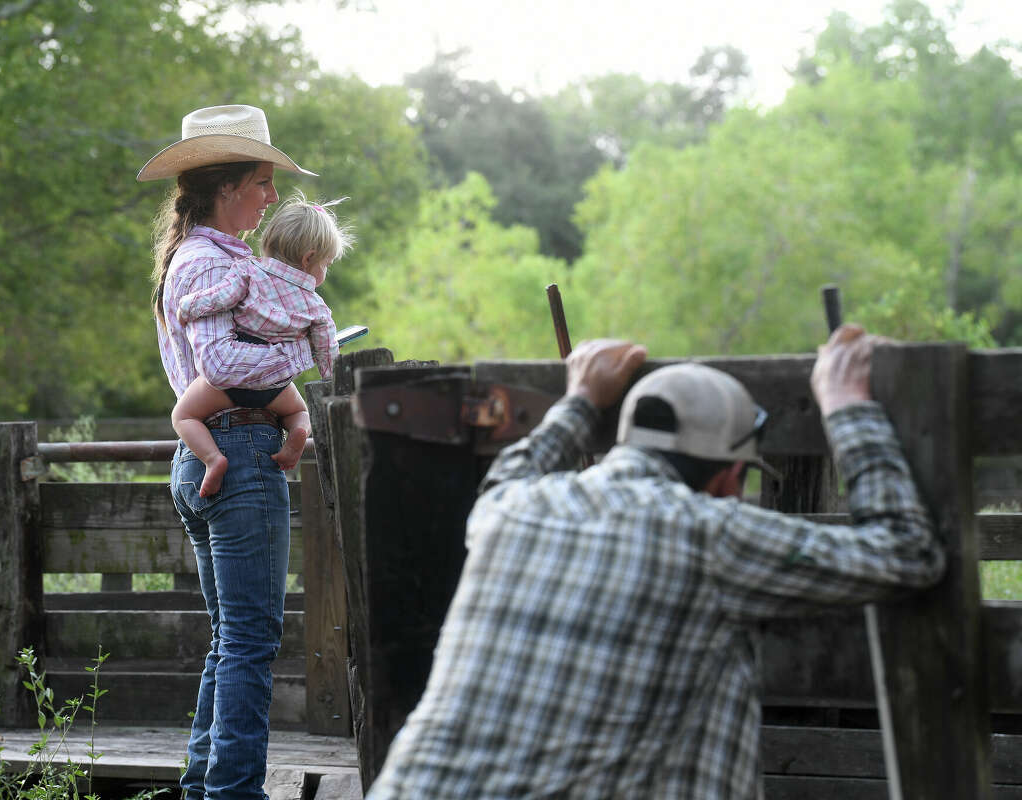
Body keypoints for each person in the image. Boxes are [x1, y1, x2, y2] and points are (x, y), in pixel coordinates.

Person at [367, 326, 947, 799]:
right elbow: (907, 551)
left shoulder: (510, 508)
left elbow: (508, 472)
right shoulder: (708, 533)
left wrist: (579, 400)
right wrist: (848, 408)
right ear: (728, 477)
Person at [139, 103, 316, 800]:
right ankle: (233, 793)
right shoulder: (210, 262)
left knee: (232, 639)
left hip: (215, 451)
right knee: (249, 640)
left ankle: (202, 788)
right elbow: (224, 366)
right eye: (262, 182)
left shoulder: (198, 258)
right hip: (238, 449)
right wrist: (306, 352)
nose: (271, 197)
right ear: (227, 186)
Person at [171, 191, 352, 497]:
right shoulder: (318, 308)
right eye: (327, 264)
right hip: (275, 386)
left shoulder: (247, 270)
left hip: (230, 382)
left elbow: (220, 298)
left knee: (182, 416)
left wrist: (187, 307)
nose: (325, 271)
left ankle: (213, 460)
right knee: (300, 413)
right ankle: (295, 439)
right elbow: (328, 356)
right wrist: (332, 380)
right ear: (309, 259)